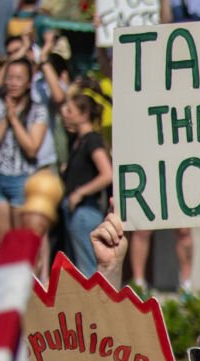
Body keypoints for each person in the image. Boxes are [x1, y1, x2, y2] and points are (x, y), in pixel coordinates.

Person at [0, 57, 51, 243]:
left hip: (22, 179)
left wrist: (14, 120)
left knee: (20, 240)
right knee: (3, 240)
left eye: (19, 78)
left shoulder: (38, 110)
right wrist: (6, 118)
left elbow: (32, 149)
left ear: (29, 82)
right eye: (10, 77)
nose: (13, 83)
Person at [58, 93, 111, 276]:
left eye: (70, 110)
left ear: (84, 114)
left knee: (87, 270)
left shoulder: (92, 140)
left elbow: (107, 174)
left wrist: (80, 192)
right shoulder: (77, 141)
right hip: (75, 211)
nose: (65, 114)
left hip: (86, 211)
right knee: (78, 271)